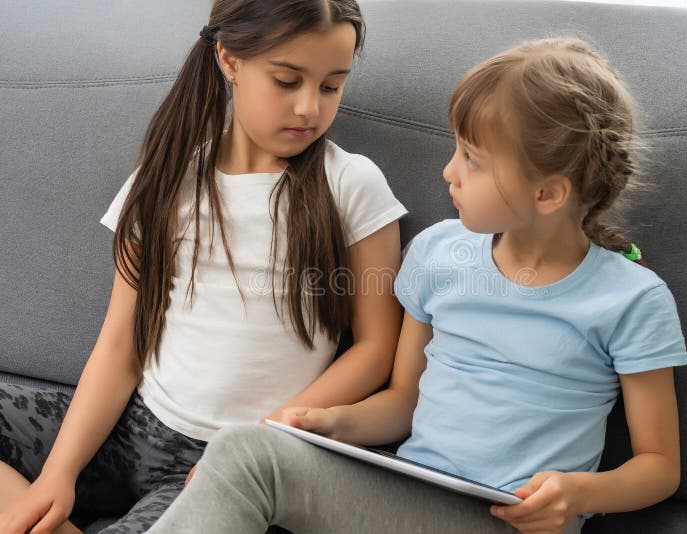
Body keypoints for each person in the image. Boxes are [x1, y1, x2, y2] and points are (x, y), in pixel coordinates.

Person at [146, 37, 687, 534]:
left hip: (511, 521)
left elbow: (659, 467)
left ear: (548, 193)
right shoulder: (438, 253)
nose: (449, 172)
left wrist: (577, 494)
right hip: (408, 494)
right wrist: (332, 422)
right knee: (247, 449)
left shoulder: (632, 301)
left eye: (472, 160)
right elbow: (404, 401)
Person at [0, 1, 408, 533]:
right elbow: (121, 342)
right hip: (132, 427)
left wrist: (254, 445)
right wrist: (58, 474)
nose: (310, 107)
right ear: (230, 59)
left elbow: (376, 349)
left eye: (331, 87)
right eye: (287, 81)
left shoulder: (352, 185)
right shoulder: (168, 178)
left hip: (229, 462)